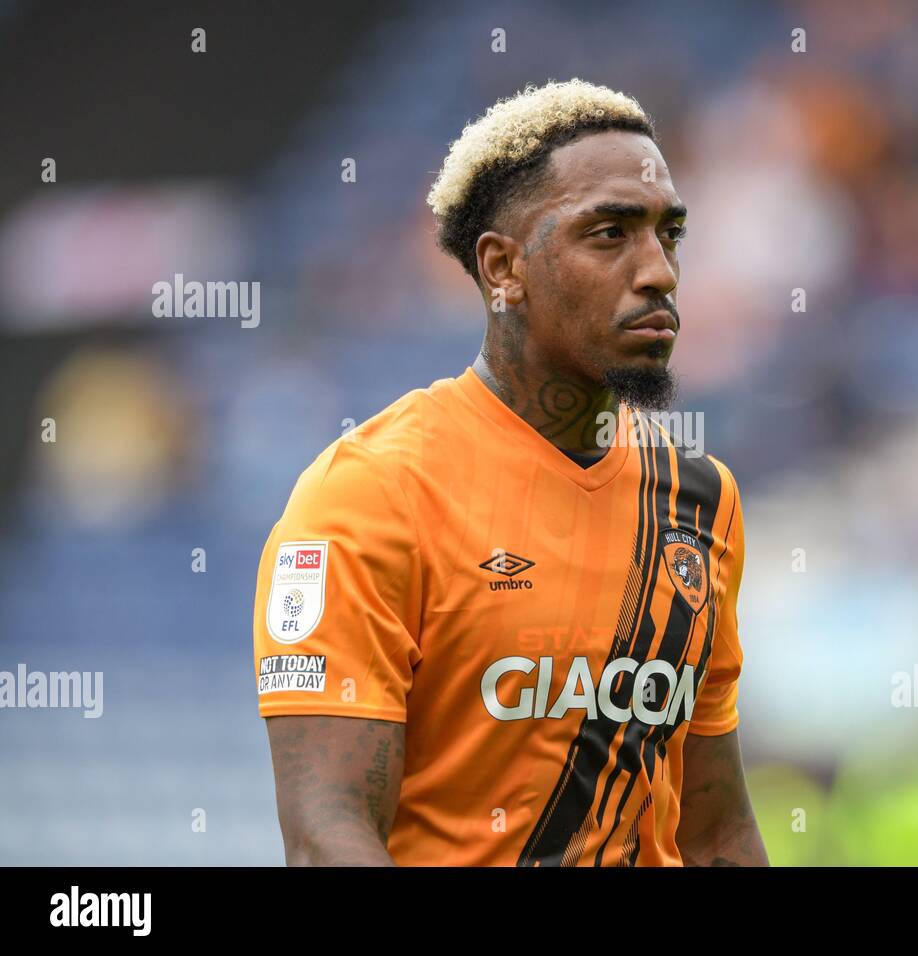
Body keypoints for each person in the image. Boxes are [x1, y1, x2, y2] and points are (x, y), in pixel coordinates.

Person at [252, 78, 767, 866]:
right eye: (610, 235)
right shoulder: (371, 494)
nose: (659, 271)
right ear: (504, 268)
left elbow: (717, 832)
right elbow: (328, 835)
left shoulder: (701, 500)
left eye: (670, 235)